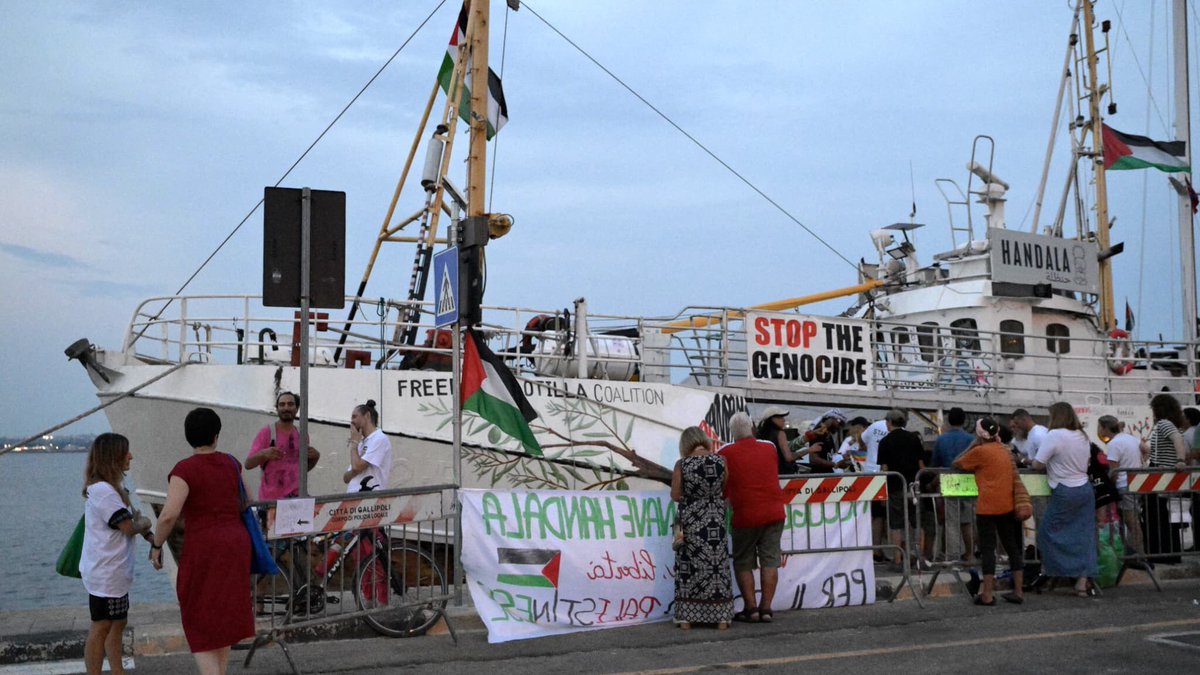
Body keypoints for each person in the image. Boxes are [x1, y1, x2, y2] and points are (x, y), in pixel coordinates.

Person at [150, 408, 254, 675]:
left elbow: (168, 516)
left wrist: (157, 545)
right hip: (235, 543)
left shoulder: (184, 470)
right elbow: (248, 500)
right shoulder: (232, 463)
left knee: (199, 614)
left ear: (188, 436)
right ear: (216, 435)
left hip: (204, 547)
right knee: (224, 613)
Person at [80, 433, 152, 675]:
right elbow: (130, 526)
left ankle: (117, 671)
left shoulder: (117, 488)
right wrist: (147, 524)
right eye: (126, 452)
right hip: (105, 574)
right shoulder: (102, 491)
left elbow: (135, 522)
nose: (130, 456)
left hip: (116, 573)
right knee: (101, 626)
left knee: (118, 622)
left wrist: (153, 539)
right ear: (113, 456)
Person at [718, 412, 786, 623]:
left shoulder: (724, 452)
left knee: (743, 561)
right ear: (753, 428)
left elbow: (723, 484)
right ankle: (766, 608)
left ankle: (751, 608)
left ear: (731, 432)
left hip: (745, 514)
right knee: (770, 560)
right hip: (774, 510)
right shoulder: (769, 447)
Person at [953, 418, 1024, 605]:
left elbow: (957, 463)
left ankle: (987, 594)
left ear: (979, 433)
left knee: (987, 550)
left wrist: (973, 445)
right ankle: (1018, 591)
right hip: (1007, 504)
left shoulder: (980, 451)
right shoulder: (1005, 450)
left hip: (987, 506)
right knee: (1012, 547)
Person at [1029, 402, 1096, 596]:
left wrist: (1028, 461)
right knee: (1084, 536)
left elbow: (1039, 464)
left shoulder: (1055, 435)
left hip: (1064, 489)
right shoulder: (1082, 435)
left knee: (1046, 533)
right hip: (1085, 489)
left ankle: (1057, 569)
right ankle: (1082, 582)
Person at [670, 427, 733, 629]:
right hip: (716, 519)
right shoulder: (721, 461)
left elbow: (675, 495)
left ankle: (687, 618)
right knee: (718, 567)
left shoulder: (682, 464)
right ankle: (722, 618)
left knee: (689, 566)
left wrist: (693, 498)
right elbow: (724, 488)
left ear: (685, 444)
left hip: (691, 522)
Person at [877, 409, 932, 568]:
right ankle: (919, 557)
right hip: (913, 486)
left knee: (896, 525)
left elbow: (884, 469)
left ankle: (898, 558)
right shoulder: (914, 438)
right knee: (917, 523)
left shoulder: (885, 441)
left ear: (889, 422)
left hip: (895, 487)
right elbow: (921, 465)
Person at [244, 391, 319, 500]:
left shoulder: (302, 434)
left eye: (290, 404)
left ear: (297, 408)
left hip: (297, 500)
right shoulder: (267, 432)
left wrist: (315, 458)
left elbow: (301, 470)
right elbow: (248, 464)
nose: (286, 408)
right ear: (277, 409)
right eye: (282, 404)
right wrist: (263, 454)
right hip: (271, 502)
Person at [1097, 415, 1147, 560]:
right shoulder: (1130, 438)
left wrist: (1108, 485)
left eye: (1099, 427)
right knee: (1133, 520)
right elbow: (1144, 450)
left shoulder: (1114, 444)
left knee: (1131, 521)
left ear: (1105, 428)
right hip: (1136, 483)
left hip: (1124, 486)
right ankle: (1136, 553)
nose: (1099, 431)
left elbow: (1114, 471)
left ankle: (1138, 555)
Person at [1145, 393, 1187, 559]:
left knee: (1157, 516)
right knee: (1169, 517)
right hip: (1168, 476)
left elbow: (1176, 439)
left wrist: (1180, 460)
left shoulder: (1164, 423)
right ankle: (1171, 553)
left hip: (1161, 474)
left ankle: (1160, 553)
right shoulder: (1174, 424)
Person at [933, 407, 976, 564]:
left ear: (949, 421)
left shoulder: (941, 439)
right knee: (967, 521)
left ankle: (952, 556)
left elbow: (935, 464)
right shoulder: (971, 439)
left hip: (948, 480)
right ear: (964, 420)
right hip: (968, 481)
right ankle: (970, 554)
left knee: (951, 521)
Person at [343, 400, 392, 492]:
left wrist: (353, 444)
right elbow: (346, 478)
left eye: (354, 417)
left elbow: (356, 467)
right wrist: (355, 470)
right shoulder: (360, 442)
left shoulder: (379, 438)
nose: (352, 421)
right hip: (352, 497)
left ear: (367, 416)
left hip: (370, 500)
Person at [756, 406, 803, 476]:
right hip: (783, 473)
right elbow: (788, 457)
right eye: (780, 417)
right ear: (771, 419)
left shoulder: (759, 434)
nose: (783, 420)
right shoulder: (780, 434)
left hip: (766, 473)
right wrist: (809, 450)